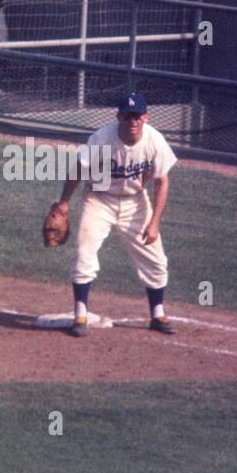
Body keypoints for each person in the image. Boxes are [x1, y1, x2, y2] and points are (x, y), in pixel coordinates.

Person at [51, 92, 177, 339]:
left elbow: (162, 181)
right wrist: (64, 202)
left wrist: (154, 222)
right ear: (119, 117)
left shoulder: (155, 141)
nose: (133, 121)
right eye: (127, 116)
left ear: (146, 117)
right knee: (84, 253)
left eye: (137, 116)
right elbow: (79, 169)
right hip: (99, 200)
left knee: (155, 259)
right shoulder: (101, 138)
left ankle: (157, 314)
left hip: (136, 203)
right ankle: (80, 314)